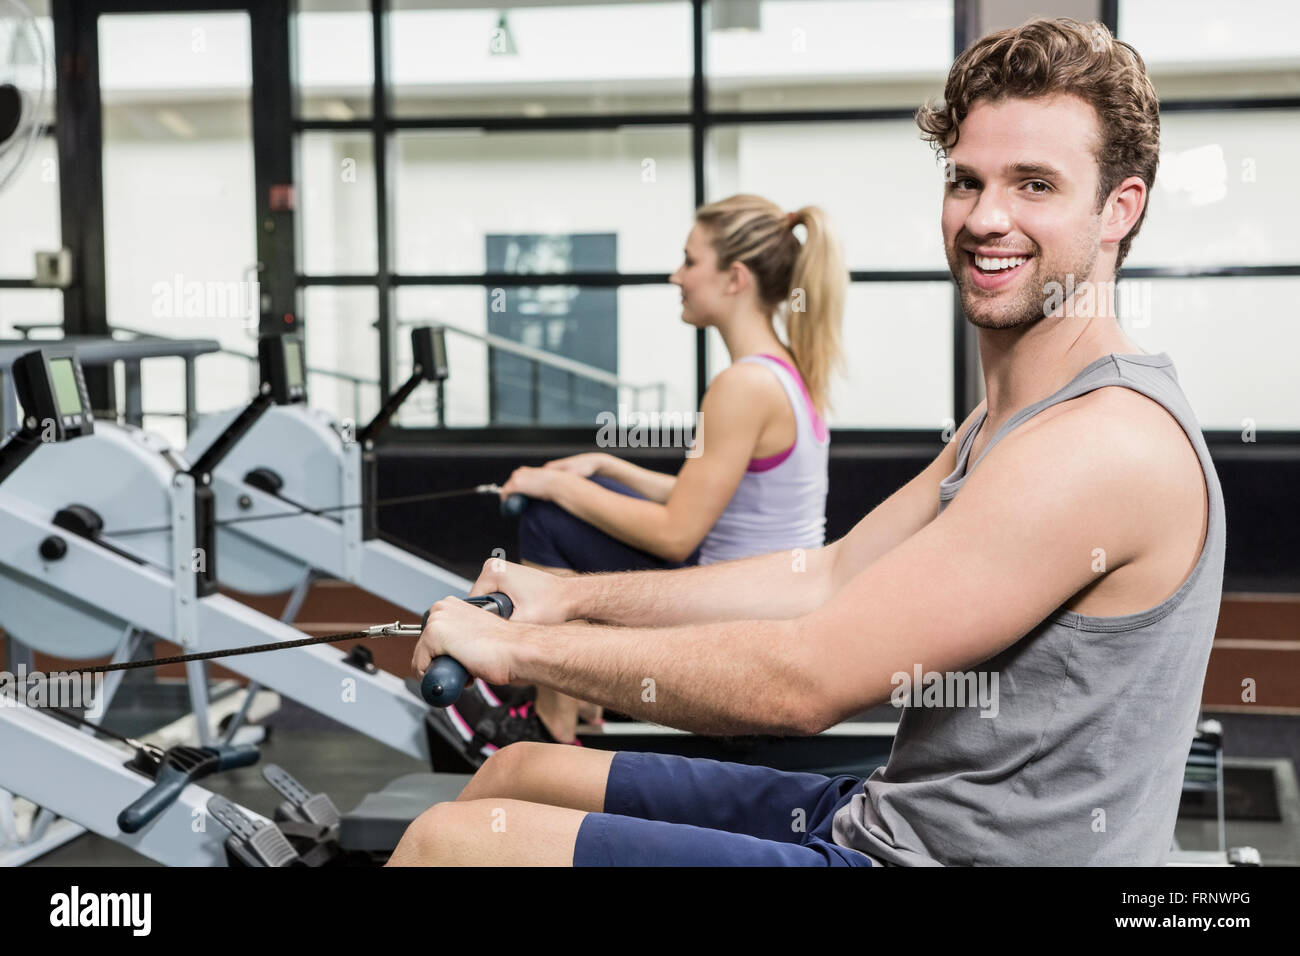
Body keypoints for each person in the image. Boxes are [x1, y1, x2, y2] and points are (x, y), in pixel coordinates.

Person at [393, 17, 1224, 866]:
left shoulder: (1103, 443)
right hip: (891, 819)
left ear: (1120, 207)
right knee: (518, 774)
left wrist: (521, 647)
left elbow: (805, 684)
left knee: (450, 845)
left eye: (1036, 185)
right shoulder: (1007, 421)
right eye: (966, 182)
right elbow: (825, 576)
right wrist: (566, 600)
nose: (987, 217)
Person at [434, 195, 847, 757]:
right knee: (583, 497)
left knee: (548, 516)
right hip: (768, 591)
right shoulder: (782, 371)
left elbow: (676, 532)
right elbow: (698, 496)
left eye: (689, 260)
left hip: (740, 606)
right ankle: (571, 705)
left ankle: (554, 721)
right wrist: (603, 466)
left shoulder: (743, 386)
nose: (676, 275)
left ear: (735, 278)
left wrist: (555, 484)